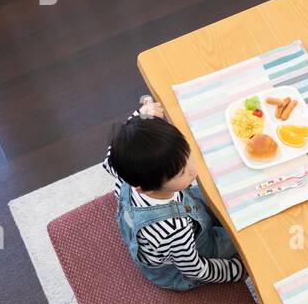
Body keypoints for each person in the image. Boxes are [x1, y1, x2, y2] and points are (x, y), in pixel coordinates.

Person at [104, 96, 244, 291]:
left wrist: (142, 118)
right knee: (245, 238)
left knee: (219, 194)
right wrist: (237, 270)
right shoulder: (174, 229)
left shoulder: (122, 166)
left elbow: (112, 153)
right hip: (184, 263)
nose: (193, 170)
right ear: (144, 188)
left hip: (181, 211)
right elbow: (194, 269)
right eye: (181, 172)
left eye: (187, 155)